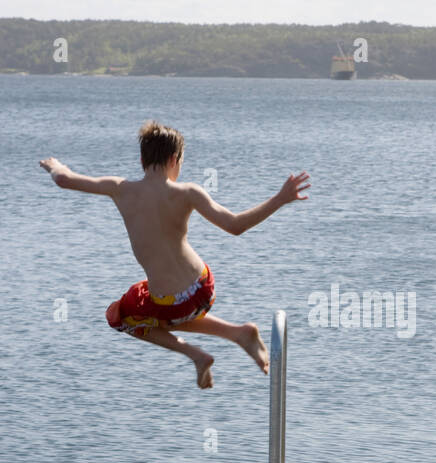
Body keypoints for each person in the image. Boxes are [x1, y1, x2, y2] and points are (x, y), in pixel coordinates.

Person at [39, 121, 309, 388]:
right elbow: (235, 225)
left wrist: (55, 166)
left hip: (171, 302)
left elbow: (64, 179)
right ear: (174, 159)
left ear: (142, 158)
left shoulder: (120, 189)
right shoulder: (188, 192)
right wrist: (280, 198)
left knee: (123, 317)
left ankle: (196, 354)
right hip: (204, 286)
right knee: (166, 313)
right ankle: (239, 333)